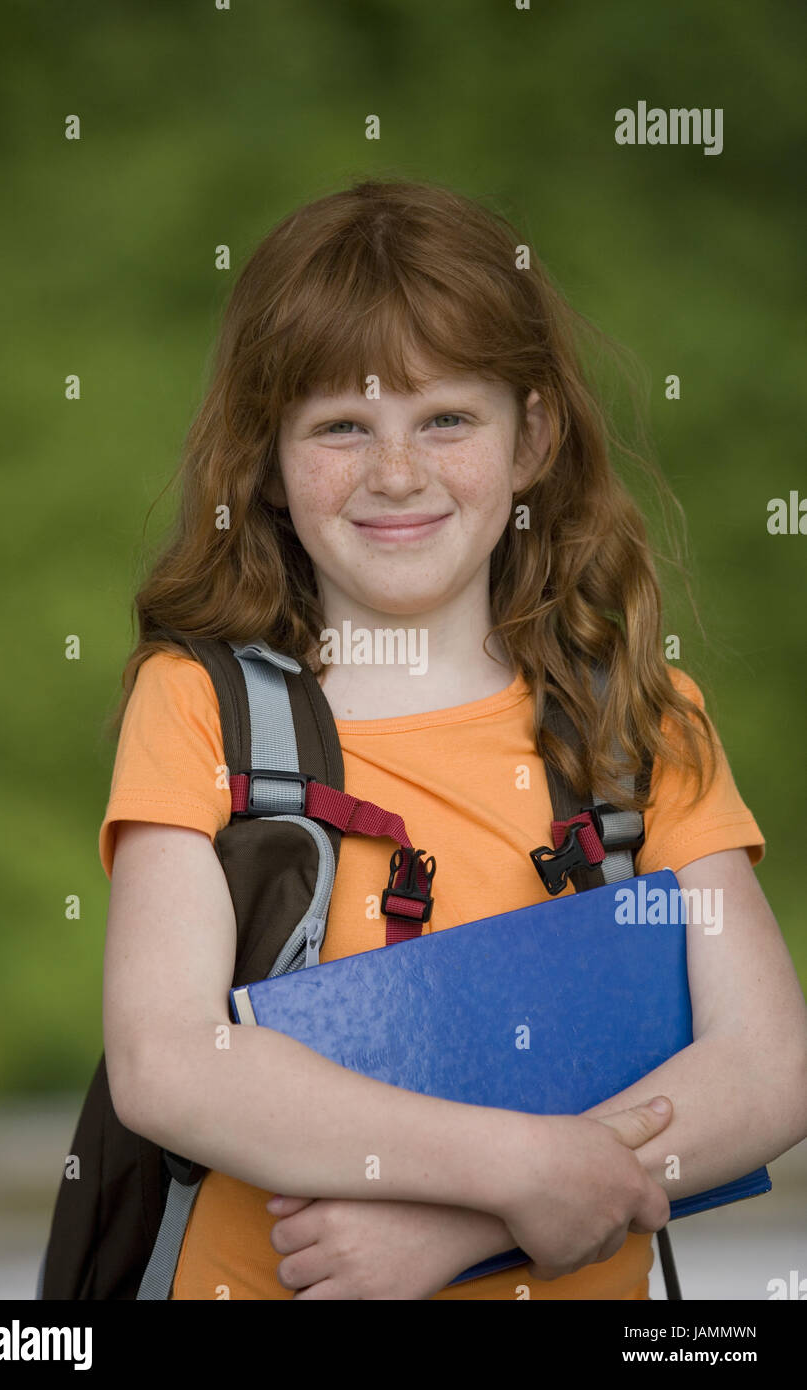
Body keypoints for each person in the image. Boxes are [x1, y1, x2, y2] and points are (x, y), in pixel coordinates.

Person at [100, 178, 807, 1300]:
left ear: (530, 439)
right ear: (271, 462)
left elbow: (766, 1068)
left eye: (444, 419)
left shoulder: (634, 717)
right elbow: (168, 1062)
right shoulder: (198, 708)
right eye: (341, 426)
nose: (394, 472)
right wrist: (514, 1171)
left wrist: (462, 1232)